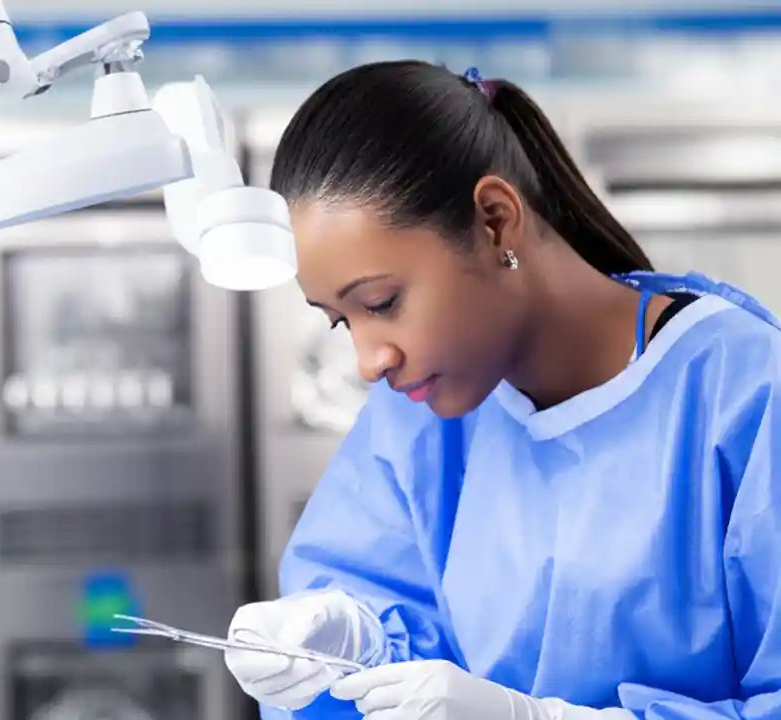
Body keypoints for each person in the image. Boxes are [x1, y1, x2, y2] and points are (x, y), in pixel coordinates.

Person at [222, 61, 781, 720]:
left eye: (383, 301)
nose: (370, 361)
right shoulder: (422, 418)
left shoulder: (743, 396)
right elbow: (389, 652)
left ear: (494, 220)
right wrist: (354, 645)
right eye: (343, 320)